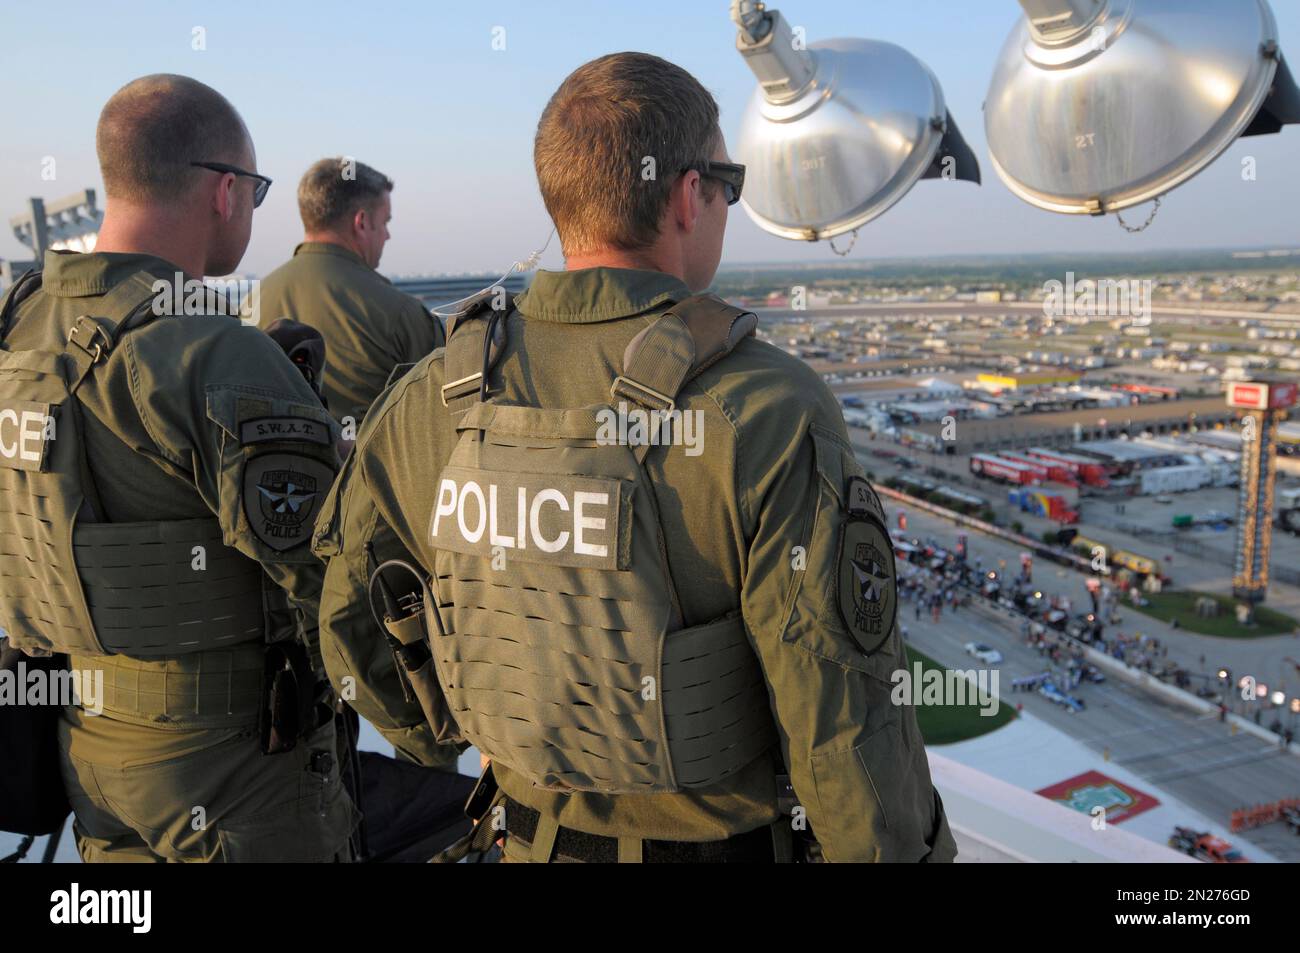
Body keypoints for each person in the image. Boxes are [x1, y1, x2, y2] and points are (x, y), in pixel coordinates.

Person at [315, 51, 955, 863]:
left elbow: (347, 611)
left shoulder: (433, 395)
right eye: (729, 183)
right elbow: (844, 722)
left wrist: (445, 733)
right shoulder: (762, 406)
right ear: (691, 194)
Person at [0, 74, 354, 861]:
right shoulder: (214, 349)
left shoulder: (21, 324)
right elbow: (333, 583)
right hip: (235, 776)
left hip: (85, 757)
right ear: (224, 192)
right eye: (255, 191)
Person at [254, 158, 445, 432]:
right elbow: (438, 420)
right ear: (362, 221)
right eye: (385, 221)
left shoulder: (252, 303)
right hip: (369, 472)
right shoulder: (402, 314)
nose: (388, 235)